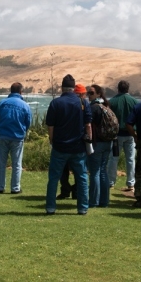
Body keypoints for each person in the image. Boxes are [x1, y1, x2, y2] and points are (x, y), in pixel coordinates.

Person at [45, 74, 92, 215]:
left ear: (62, 87)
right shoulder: (83, 103)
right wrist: (88, 142)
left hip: (60, 146)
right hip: (78, 147)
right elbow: (88, 125)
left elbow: (51, 126)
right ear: (73, 88)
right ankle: (82, 208)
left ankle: (51, 207)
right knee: (82, 177)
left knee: (54, 177)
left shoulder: (55, 103)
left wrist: (52, 140)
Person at [0, 82, 32, 194]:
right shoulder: (25, 105)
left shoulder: (2, 103)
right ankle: (15, 188)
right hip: (17, 137)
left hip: (3, 135)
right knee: (17, 164)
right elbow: (28, 122)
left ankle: (0, 187)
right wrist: (23, 130)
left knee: (1, 163)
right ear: (21, 92)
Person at [58, 83, 88, 200]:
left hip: (64, 142)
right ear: (80, 94)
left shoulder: (63, 103)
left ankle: (67, 190)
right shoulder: (82, 104)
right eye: (84, 94)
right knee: (78, 170)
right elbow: (88, 124)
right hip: (77, 143)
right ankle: (74, 191)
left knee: (64, 170)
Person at [86, 84, 114, 208]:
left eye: (91, 93)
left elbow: (88, 125)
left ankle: (93, 201)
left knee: (95, 172)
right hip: (108, 142)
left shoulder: (93, 108)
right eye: (88, 93)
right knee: (103, 171)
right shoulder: (106, 106)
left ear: (98, 94)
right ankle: (104, 201)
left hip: (97, 144)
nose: (88, 95)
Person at [107, 80, 137, 191]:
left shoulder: (112, 101)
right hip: (130, 134)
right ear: (128, 89)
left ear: (118, 88)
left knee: (114, 158)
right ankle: (131, 183)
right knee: (130, 159)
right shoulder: (134, 101)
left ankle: (111, 182)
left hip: (116, 135)